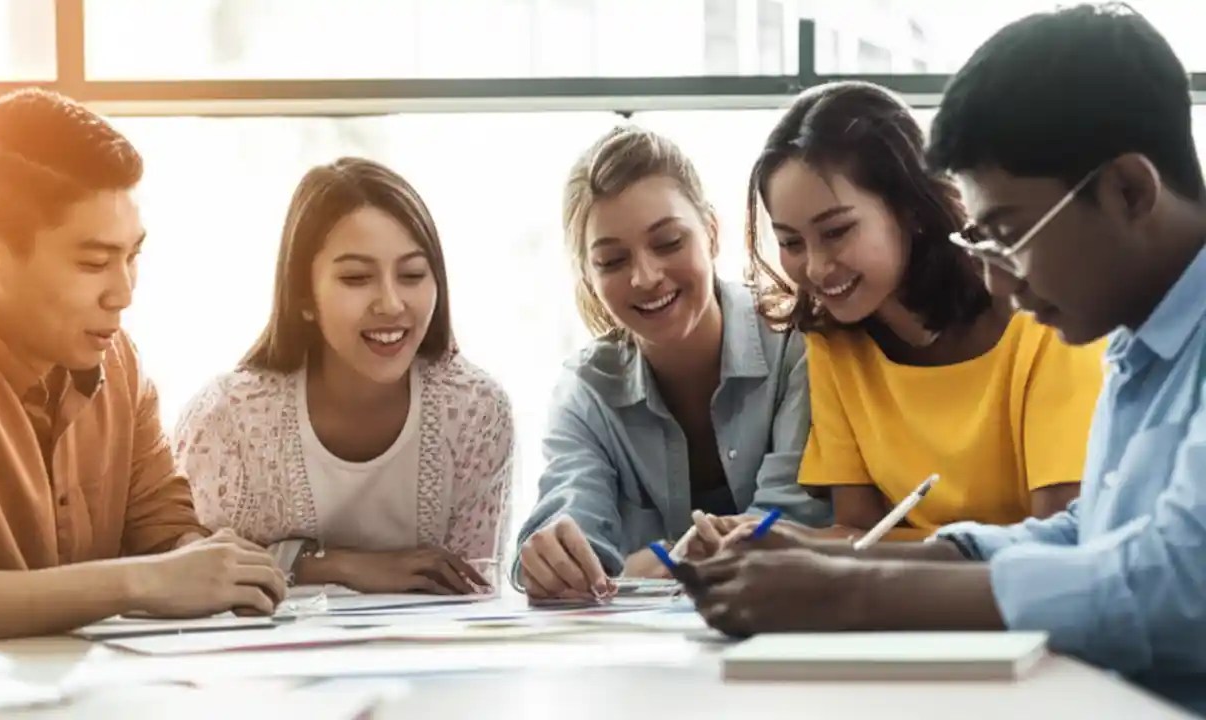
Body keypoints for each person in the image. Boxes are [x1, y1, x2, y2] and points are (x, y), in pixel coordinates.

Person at [685, 5, 1206, 715]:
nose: (998, 280)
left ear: (1129, 191)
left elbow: (1175, 585)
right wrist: (838, 558)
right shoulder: (1135, 341)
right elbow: (1086, 536)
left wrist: (851, 591)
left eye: (1010, 234)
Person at [0, 88, 286, 649]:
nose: (123, 293)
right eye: (93, 262)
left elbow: (167, 538)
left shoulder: (117, 363)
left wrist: (202, 563)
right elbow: (149, 575)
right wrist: (138, 582)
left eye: (132, 256)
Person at [745, 80, 1102, 537]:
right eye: (791, 242)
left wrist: (821, 553)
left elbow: (1058, 543)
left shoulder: (1046, 322)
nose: (814, 267)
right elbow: (857, 534)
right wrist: (779, 545)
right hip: (905, 601)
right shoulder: (834, 343)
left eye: (836, 231)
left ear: (911, 208)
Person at [514, 126, 830, 600]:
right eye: (613, 260)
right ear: (588, 275)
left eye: (668, 243)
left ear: (712, 233)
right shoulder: (585, 393)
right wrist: (552, 560)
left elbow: (788, 531)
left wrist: (644, 561)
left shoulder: (795, 348)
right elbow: (572, 533)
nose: (645, 276)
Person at [175, 157, 514, 595]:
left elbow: (476, 590)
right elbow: (190, 570)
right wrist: (342, 567)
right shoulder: (228, 418)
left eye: (412, 274)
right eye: (356, 278)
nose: (391, 303)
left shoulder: (475, 411)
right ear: (303, 296)